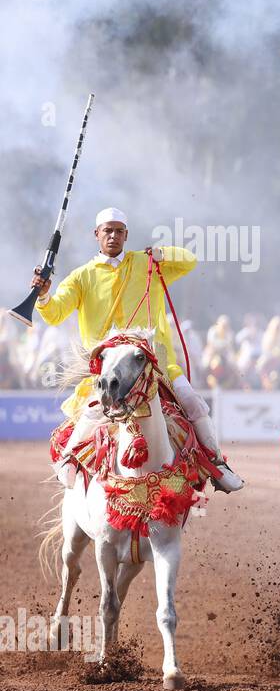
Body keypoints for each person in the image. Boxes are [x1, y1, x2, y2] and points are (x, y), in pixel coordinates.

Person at [31, 207, 243, 492]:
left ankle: (218, 465)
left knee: (194, 404)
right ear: (97, 235)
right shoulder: (81, 277)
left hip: (156, 364)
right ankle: (70, 460)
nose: (113, 236)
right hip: (108, 370)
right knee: (94, 412)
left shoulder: (147, 263)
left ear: (126, 235)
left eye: (119, 231)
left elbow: (190, 261)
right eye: (108, 230)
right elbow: (54, 314)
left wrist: (162, 254)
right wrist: (43, 295)